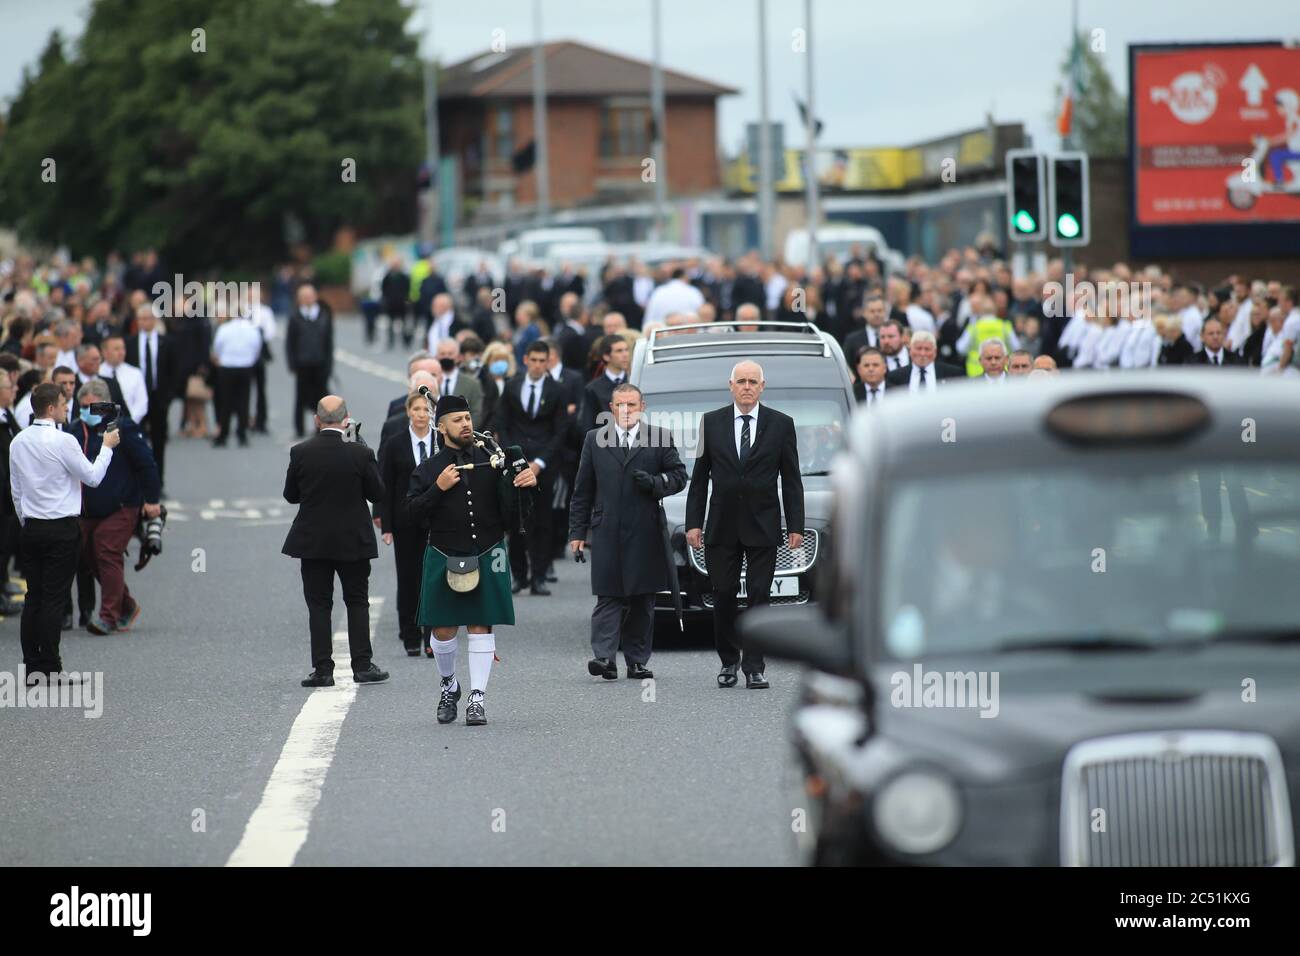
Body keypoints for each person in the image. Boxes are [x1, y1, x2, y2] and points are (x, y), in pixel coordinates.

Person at [405, 393, 538, 726]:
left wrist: (525, 485)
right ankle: (449, 685)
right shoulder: (429, 469)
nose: (466, 424)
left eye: (468, 418)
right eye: (458, 419)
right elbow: (411, 515)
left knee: (481, 624)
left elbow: (516, 513)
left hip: (488, 550)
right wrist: (437, 487)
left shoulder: (492, 458)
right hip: (443, 552)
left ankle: (477, 698)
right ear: (441, 427)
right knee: (444, 630)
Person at [685, 360, 805, 689]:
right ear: (731, 385)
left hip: (763, 524)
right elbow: (699, 479)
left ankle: (755, 666)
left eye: (753, 381)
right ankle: (728, 662)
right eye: (742, 381)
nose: (747, 387)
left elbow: (792, 479)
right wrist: (693, 523)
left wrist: (796, 523)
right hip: (721, 525)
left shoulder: (781, 424)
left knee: (758, 595)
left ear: (763, 386)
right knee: (722, 593)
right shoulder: (710, 424)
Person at [568, 383, 687, 680]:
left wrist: (655, 482)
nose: (625, 410)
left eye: (631, 405)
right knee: (608, 595)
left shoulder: (659, 438)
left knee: (642, 598)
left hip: (645, 529)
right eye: (619, 405)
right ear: (611, 408)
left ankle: (636, 661)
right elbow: (582, 490)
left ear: (642, 407)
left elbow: (679, 476)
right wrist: (577, 533)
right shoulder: (595, 439)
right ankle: (604, 658)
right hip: (606, 528)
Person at [9, 382, 119, 683]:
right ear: (50, 408)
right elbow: (93, 477)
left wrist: (27, 520)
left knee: (34, 597)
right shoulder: (64, 440)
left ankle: (32, 665)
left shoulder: (17, 442)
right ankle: (52, 667)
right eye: (62, 402)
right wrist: (107, 448)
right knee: (55, 598)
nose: (66, 407)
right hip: (61, 527)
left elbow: (16, 491)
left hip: (31, 527)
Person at [281, 396, 389, 687]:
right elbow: (377, 493)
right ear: (346, 419)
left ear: (317, 420)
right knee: (356, 601)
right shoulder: (360, 453)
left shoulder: (301, 451)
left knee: (319, 604)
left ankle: (323, 669)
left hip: (313, 539)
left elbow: (291, 495)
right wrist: (365, 450)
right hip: (353, 538)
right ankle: (363, 666)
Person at [68, 379, 161, 634]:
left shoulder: (124, 428)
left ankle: (108, 616)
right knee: (90, 556)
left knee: (107, 550)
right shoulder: (74, 430)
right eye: (82, 406)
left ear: (105, 404)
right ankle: (126, 604)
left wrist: (152, 501)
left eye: (92, 406)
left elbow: (146, 464)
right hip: (87, 509)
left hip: (122, 505)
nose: (87, 411)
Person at [495, 340, 565, 595]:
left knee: (543, 522)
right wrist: (516, 460)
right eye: (532, 360)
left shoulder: (557, 390)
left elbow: (560, 431)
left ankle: (539, 576)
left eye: (541, 361)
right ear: (525, 360)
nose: (537, 365)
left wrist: (539, 463)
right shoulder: (512, 387)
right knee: (515, 522)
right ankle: (519, 575)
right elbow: (502, 424)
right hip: (516, 463)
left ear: (548, 362)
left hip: (543, 467)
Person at [377, 391, 435, 657]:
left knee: (433, 578)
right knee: (409, 578)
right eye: (417, 409)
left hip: (436, 520)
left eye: (426, 409)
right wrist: (386, 524)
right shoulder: (395, 443)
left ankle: (431, 637)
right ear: (408, 412)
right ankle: (410, 634)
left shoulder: (441, 442)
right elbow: (385, 485)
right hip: (405, 520)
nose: (422, 414)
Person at [125, 304, 178, 490]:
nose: (144, 322)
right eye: (140, 319)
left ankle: (158, 483)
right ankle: (136, 482)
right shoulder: (129, 344)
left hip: (158, 398)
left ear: (154, 320)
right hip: (136, 399)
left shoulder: (167, 342)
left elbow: (174, 371)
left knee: (159, 441)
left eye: (147, 318)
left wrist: (168, 397)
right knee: (135, 440)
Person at [286, 284, 334, 438]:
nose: (307, 299)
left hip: (320, 363)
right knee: (300, 397)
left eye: (309, 296)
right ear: (299, 299)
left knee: (321, 399)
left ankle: (321, 427)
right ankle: (299, 428)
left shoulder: (324, 315)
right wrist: (292, 363)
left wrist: (329, 364)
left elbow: (329, 342)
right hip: (302, 364)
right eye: (303, 297)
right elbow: (290, 343)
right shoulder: (295, 317)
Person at [210, 306, 261, 447]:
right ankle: (242, 434)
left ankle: (223, 434)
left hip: (227, 367)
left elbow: (217, 347)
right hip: (245, 367)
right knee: (243, 401)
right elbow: (257, 348)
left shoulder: (224, 329)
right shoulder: (252, 329)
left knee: (225, 401)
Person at [579, 334, 630, 434]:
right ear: (606, 356)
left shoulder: (634, 381)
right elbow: (587, 426)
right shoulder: (593, 389)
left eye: (626, 350)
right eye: (619, 351)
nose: (625, 354)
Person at [885, 330, 964, 392]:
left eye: (927, 349)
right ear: (910, 351)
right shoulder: (895, 377)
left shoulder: (953, 374)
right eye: (918, 348)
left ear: (935, 352)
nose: (922, 353)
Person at [98, 334, 149, 424]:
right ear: (104, 352)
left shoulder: (135, 373)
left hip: (130, 424)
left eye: (123, 348)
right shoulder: (97, 373)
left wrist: (128, 422)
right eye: (116, 349)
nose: (121, 352)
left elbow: (142, 403)